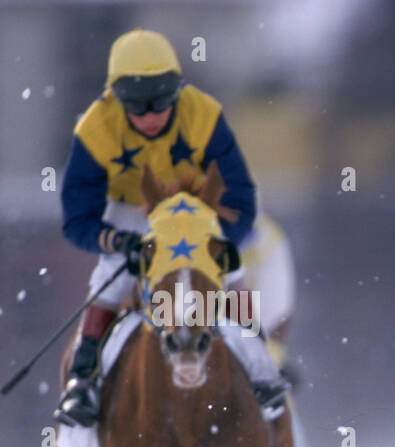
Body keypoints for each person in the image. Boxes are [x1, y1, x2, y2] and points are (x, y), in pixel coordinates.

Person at [56, 28, 288, 427]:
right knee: (109, 280)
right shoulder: (95, 129)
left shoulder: (204, 114)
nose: (149, 116)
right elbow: (77, 219)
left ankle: (261, 369)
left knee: (230, 276)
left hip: (194, 214)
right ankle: (83, 381)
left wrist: (217, 243)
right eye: (136, 106)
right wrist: (116, 241)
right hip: (131, 214)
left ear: (177, 93)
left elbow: (242, 197)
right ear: (115, 98)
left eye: (161, 102)